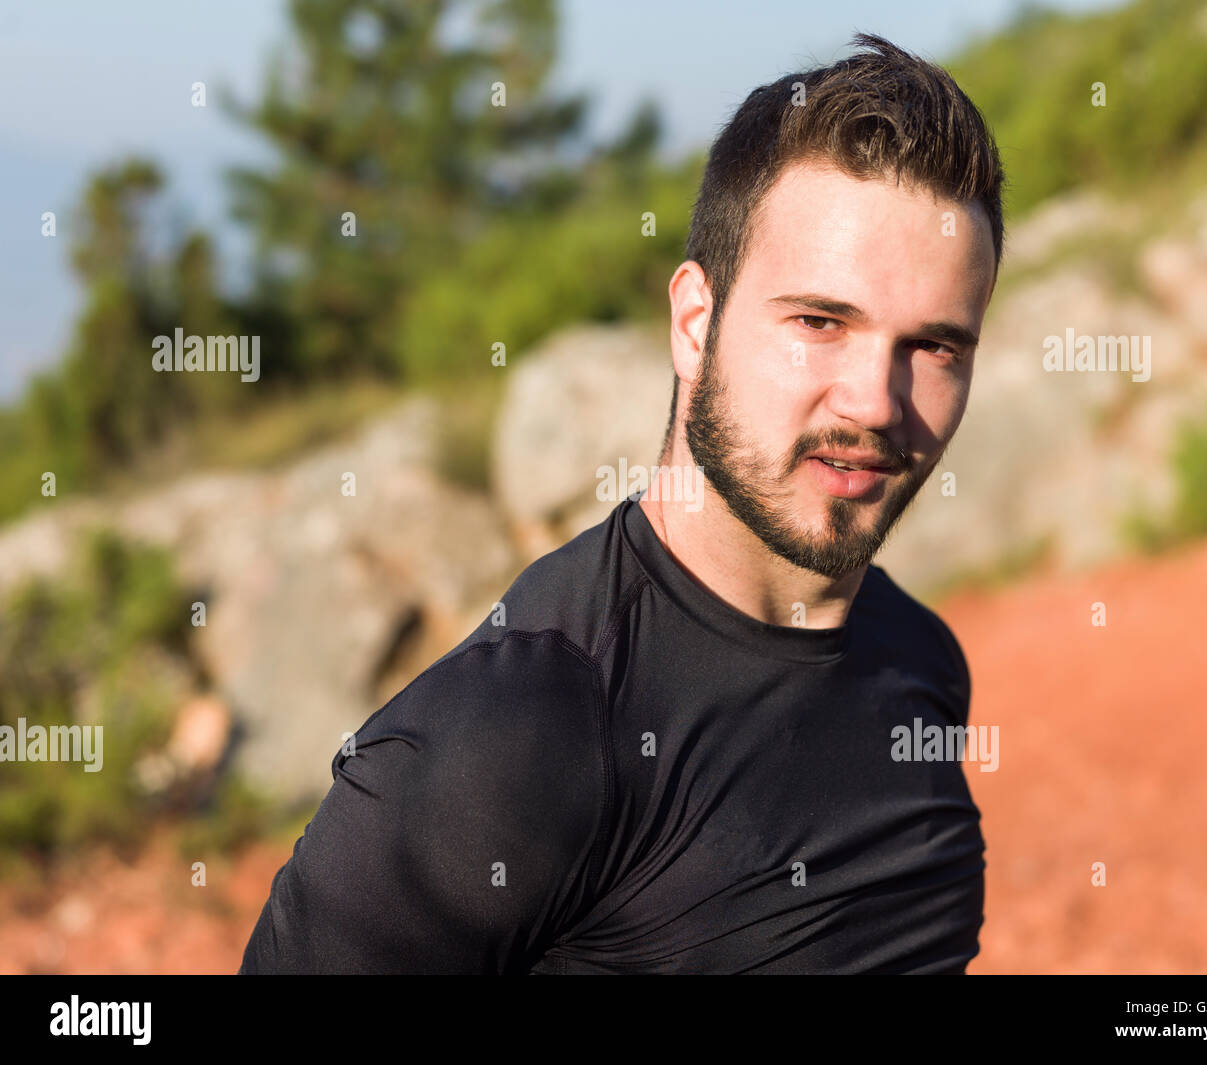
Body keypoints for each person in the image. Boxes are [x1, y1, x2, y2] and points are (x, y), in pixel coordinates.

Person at [240, 30, 1004, 975]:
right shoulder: (508, 740)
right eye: (819, 322)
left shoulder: (918, 660)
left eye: (934, 346)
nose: (875, 402)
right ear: (695, 321)